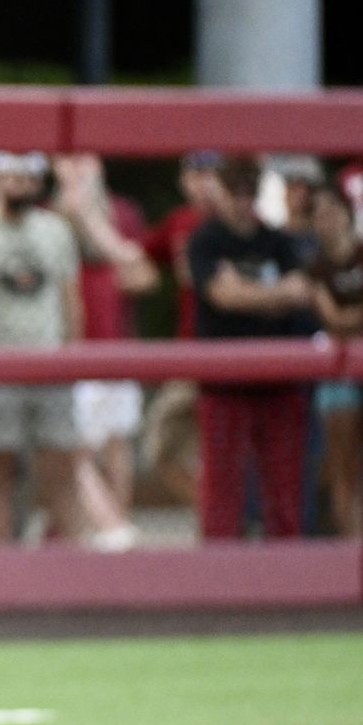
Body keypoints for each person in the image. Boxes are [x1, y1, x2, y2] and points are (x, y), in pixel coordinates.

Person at [0, 151, 130, 548]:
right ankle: (5, 556)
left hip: (50, 363)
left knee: (62, 464)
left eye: (29, 178)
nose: (21, 186)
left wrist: (72, 355)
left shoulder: (55, 232)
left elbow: (70, 299)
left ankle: (76, 552)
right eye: (12, 177)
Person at [189, 156, 316, 540]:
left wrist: (245, 293)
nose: (243, 201)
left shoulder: (279, 241)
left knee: (284, 482)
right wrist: (276, 295)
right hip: (223, 381)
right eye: (235, 192)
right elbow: (220, 296)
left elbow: (302, 292)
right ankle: (218, 568)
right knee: (222, 483)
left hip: (278, 378)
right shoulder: (206, 240)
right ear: (220, 192)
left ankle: (284, 566)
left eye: (250, 192)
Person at [53, 153, 157, 524]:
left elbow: (142, 276)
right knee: (71, 454)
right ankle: (115, 528)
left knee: (118, 447)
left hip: (118, 346)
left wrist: (88, 218)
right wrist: (73, 213)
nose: (77, 172)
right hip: (74, 351)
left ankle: (114, 535)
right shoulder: (51, 217)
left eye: (85, 164)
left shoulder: (123, 213)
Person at [140, 151, 222, 508]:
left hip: (231, 353)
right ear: (184, 181)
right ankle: (212, 509)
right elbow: (138, 265)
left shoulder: (242, 223)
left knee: (226, 448)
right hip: (189, 352)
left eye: (210, 175)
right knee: (160, 447)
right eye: (196, 175)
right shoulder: (180, 222)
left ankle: (224, 519)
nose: (203, 184)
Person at [306, 182, 363, 536]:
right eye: (319, 213)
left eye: (333, 211)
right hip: (337, 371)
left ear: (348, 214)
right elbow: (334, 319)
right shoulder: (314, 265)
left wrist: (355, 319)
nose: (326, 219)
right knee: (343, 462)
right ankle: (352, 540)